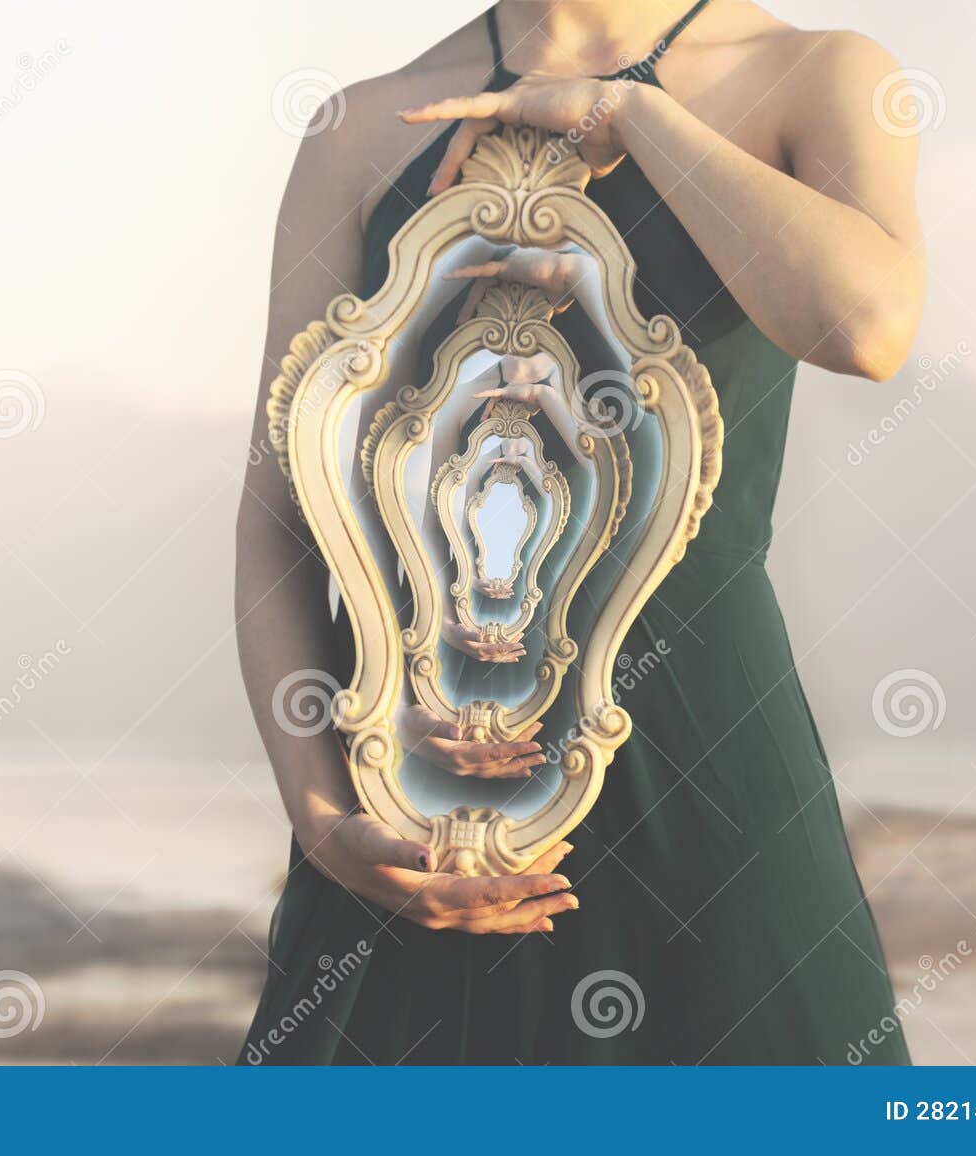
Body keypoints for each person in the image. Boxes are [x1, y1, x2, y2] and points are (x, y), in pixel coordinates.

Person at [235, 0, 924, 1063]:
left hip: (712, 795)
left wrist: (635, 117)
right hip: (413, 821)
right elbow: (280, 517)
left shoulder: (814, 73)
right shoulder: (358, 130)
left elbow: (866, 326)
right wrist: (325, 818)